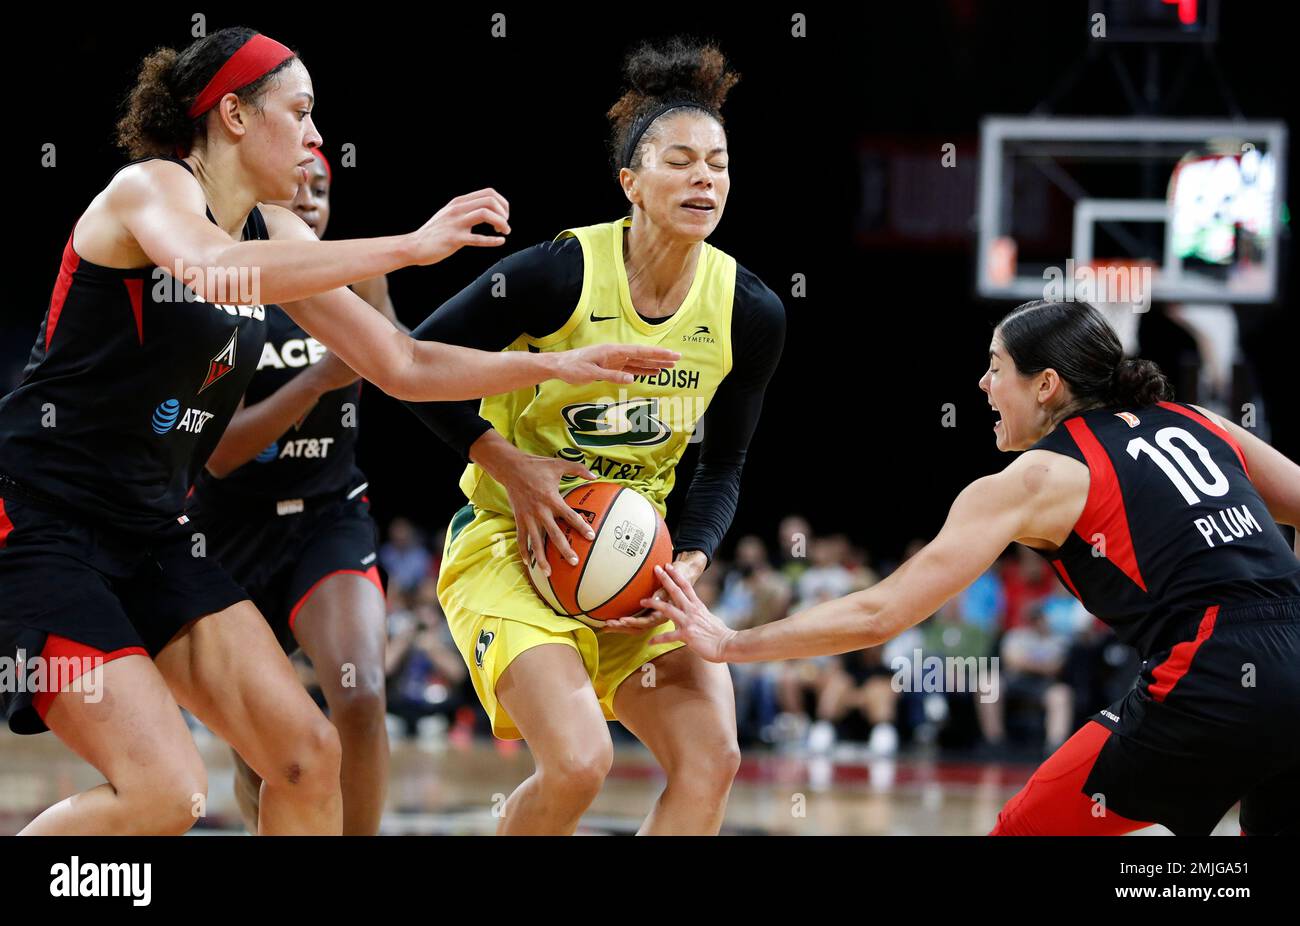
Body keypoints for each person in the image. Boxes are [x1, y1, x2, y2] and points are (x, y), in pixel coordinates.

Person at [0, 26, 676, 835]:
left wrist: (557, 368)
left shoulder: (273, 232)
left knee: (308, 757)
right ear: (235, 116)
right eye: (302, 110)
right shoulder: (147, 190)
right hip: (39, 525)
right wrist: (410, 246)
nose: (318, 135)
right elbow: (213, 270)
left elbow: (403, 363)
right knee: (165, 793)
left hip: (149, 528)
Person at [645, 299, 1300, 836]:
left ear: (1046, 385)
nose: (983, 385)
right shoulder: (1198, 420)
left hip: (1212, 669)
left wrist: (731, 643)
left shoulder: (1037, 476)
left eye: (995, 368)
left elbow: (882, 611)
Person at [405, 38, 785, 834]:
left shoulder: (748, 311)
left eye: (717, 162)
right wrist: (508, 465)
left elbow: (726, 461)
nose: (704, 178)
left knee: (713, 759)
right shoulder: (557, 272)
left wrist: (688, 558)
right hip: (513, 542)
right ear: (631, 184)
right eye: (679, 161)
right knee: (579, 763)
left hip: (632, 559)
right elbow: (416, 362)